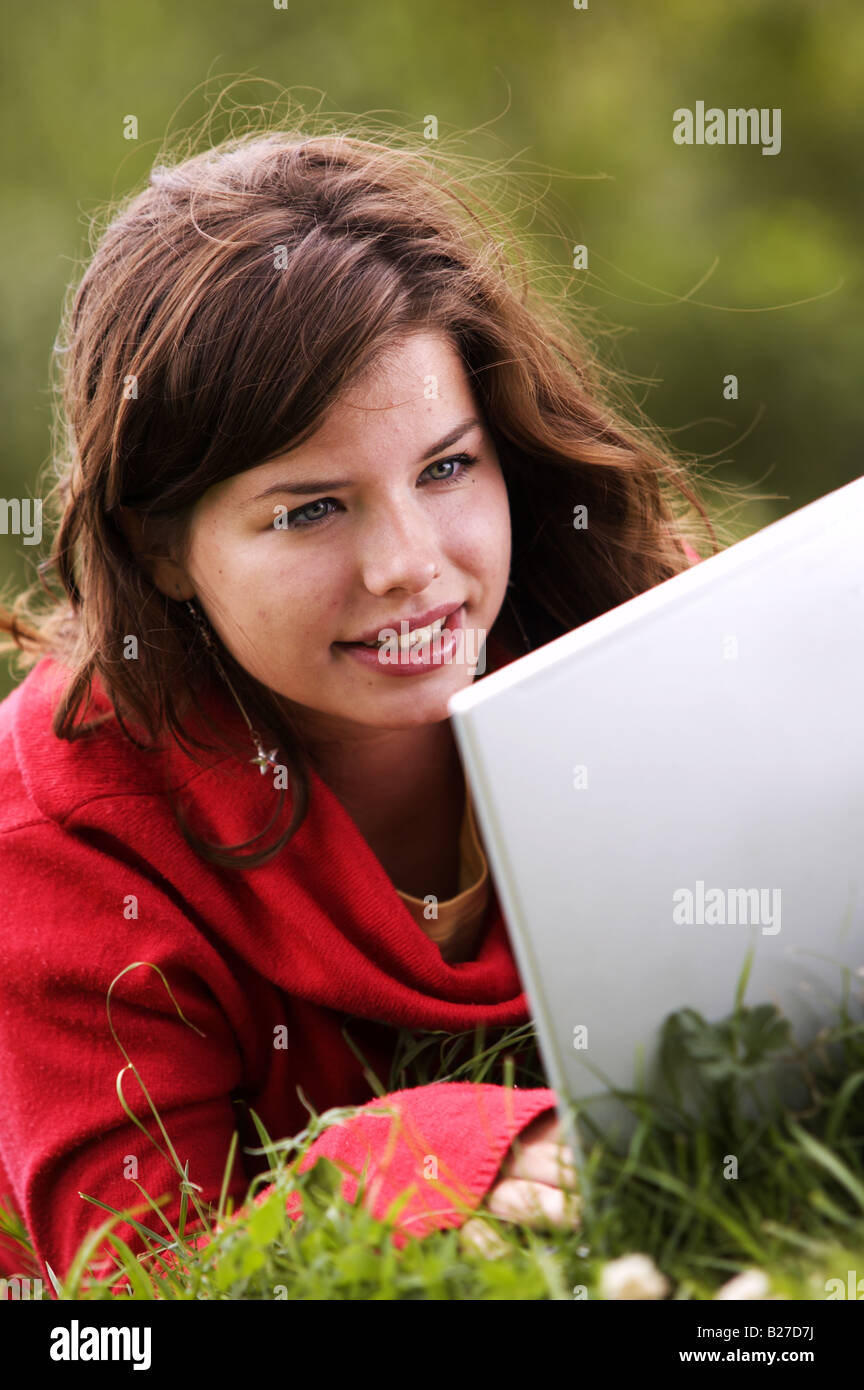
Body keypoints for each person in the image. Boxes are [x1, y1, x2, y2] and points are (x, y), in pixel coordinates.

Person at [0, 124, 717, 1291]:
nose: (411, 565)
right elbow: (131, 1291)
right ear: (165, 551)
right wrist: (378, 1169)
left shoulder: (638, 635)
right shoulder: (59, 844)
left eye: (446, 468)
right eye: (308, 509)